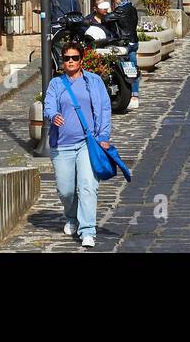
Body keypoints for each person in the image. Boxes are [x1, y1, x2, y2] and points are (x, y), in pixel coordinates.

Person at [42, 40, 112, 249]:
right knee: (65, 190)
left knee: (87, 186)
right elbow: (49, 104)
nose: (70, 61)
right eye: (66, 58)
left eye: (74, 58)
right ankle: (71, 217)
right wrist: (53, 115)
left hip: (86, 144)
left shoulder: (94, 81)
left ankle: (88, 230)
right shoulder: (56, 84)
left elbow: (104, 108)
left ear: (81, 60)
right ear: (62, 61)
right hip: (61, 146)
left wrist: (104, 136)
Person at [106, 0, 140, 111]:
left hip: (125, 43)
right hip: (134, 41)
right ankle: (135, 96)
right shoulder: (132, 8)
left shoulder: (120, 10)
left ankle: (127, 95)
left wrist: (108, 12)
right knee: (133, 68)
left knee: (127, 70)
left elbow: (106, 18)